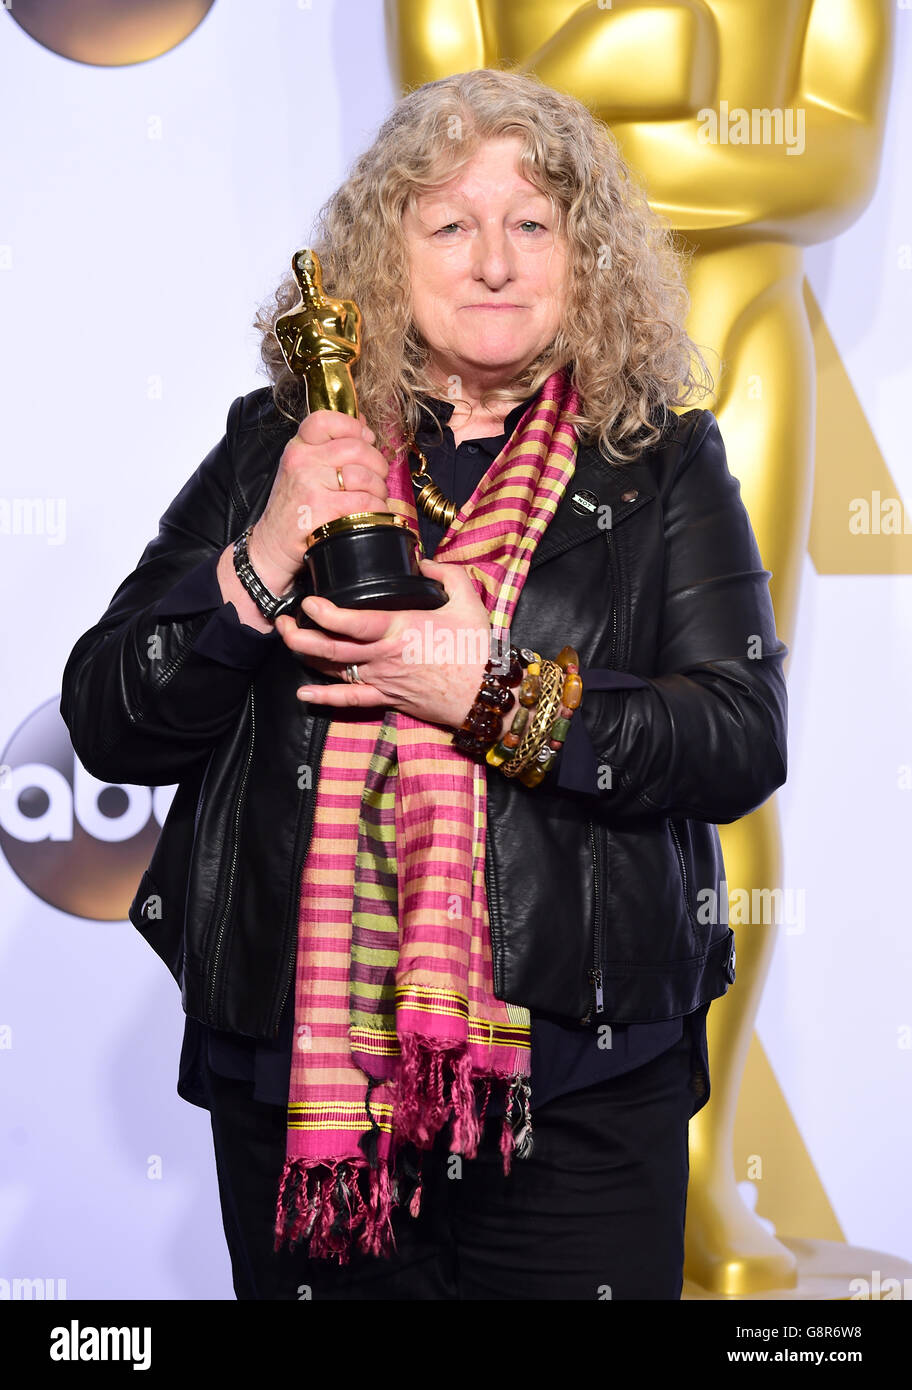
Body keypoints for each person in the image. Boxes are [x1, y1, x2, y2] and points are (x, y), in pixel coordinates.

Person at [60, 68, 788, 1301]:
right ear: (385, 258)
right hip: (303, 1091)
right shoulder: (273, 444)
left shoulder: (659, 459)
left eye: (532, 224)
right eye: (450, 223)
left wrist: (493, 694)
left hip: (578, 1096)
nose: (494, 260)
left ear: (586, 254)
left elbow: (735, 736)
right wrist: (260, 557)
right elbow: (109, 719)